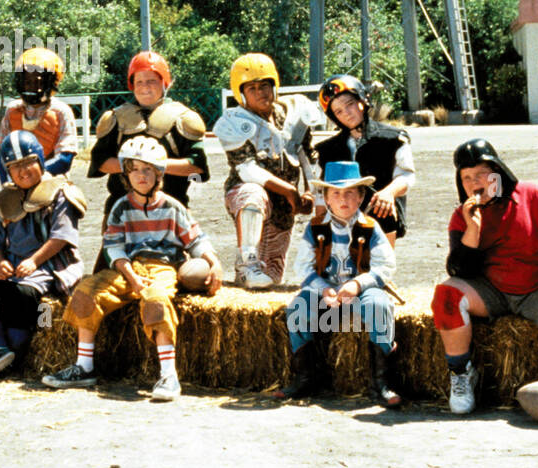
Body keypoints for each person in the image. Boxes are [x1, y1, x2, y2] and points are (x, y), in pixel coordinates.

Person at [430, 139, 538, 424]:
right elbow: (458, 270)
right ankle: (461, 374)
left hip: (537, 286)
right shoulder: (461, 215)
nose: (476, 182)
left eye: (482, 173)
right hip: (488, 291)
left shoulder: (534, 193)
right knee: (446, 296)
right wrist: (473, 228)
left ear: (498, 171)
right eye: (467, 177)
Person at [44, 137, 222, 402]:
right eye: (134, 169)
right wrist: (131, 276)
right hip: (126, 268)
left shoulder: (174, 207)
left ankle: (168, 374)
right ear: (126, 175)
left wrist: (213, 262)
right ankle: (84, 366)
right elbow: (114, 248)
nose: (142, 175)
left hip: (162, 267)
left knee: (156, 300)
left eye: (148, 169)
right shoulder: (121, 208)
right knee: (85, 291)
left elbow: (195, 239)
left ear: (159, 173)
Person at [0, 131, 87, 382]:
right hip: (14, 262)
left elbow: (61, 237)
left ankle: (16, 355)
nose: (23, 171)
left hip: (49, 264)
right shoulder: (4, 199)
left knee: (25, 297)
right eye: (15, 166)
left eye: (28, 162)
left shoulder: (61, 192)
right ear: (8, 170)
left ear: (41, 160)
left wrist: (34, 261)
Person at [274, 161, 401, 407]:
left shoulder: (370, 228)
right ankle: (306, 377)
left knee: (379, 306)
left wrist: (358, 284)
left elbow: (385, 266)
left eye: (350, 193)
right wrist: (323, 288)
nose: (343, 199)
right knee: (298, 308)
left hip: (362, 291)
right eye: (336, 193)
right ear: (326, 198)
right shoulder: (316, 229)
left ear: (361, 197)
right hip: (327, 289)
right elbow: (303, 267)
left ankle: (381, 383)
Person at [213, 53, 320, 289]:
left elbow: (308, 155)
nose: (261, 92)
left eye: (265, 85)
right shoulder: (235, 120)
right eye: (252, 88)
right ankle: (246, 264)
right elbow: (247, 169)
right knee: (252, 193)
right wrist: (290, 192)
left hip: (284, 208)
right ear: (241, 93)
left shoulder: (293, 111)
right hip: (250, 197)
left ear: (275, 86)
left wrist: (312, 192)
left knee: (271, 279)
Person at [87, 51, 210, 244]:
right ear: (132, 85)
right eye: (139, 82)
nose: (145, 87)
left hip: (171, 207)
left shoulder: (183, 118)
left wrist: (156, 164)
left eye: (152, 81)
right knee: (108, 271)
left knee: (192, 272)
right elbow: (100, 162)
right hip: (122, 209)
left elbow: (197, 167)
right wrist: (135, 166)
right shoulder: (116, 118)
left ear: (164, 82)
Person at [315, 74, 415, 246]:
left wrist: (389, 193)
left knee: (383, 210)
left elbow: (407, 176)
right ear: (334, 117)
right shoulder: (326, 151)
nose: (346, 113)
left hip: (380, 213)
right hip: (342, 214)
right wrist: (319, 228)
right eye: (338, 111)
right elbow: (320, 193)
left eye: (349, 104)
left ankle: (382, 267)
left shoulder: (392, 139)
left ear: (362, 101)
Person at [0, 47, 78, 182]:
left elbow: (65, 158)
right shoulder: (12, 111)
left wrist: (34, 175)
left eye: (38, 82)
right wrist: (9, 184)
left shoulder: (61, 112)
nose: (31, 87)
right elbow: (2, 156)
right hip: (18, 180)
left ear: (51, 83)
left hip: (52, 180)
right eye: (27, 82)